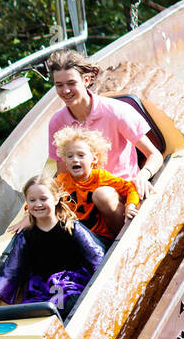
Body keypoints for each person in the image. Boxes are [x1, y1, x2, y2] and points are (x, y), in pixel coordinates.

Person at [9, 48, 164, 234]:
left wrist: (144, 175)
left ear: (86, 80)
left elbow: (154, 154)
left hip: (119, 192)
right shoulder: (57, 122)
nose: (65, 90)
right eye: (59, 85)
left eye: (71, 83)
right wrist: (33, 212)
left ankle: (118, 242)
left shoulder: (116, 112)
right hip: (82, 196)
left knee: (102, 195)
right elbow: (63, 175)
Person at [0, 175, 105, 312]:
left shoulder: (71, 228)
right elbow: (11, 271)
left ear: (55, 199)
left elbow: (96, 256)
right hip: (42, 289)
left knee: (60, 305)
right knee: (31, 311)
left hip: (71, 285)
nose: (38, 204)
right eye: (32, 200)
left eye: (43, 199)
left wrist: (100, 284)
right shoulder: (25, 237)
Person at [53, 125, 138, 241]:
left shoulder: (100, 177)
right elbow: (40, 196)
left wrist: (130, 205)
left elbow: (130, 188)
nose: (75, 159)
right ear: (66, 161)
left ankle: (124, 238)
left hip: (105, 234)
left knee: (101, 194)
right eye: (70, 156)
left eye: (81, 155)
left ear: (94, 158)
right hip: (81, 237)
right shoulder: (61, 182)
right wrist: (27, 215)